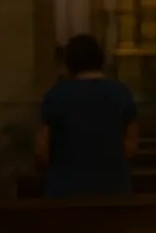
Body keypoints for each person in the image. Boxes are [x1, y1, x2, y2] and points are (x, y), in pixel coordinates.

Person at [36, 34, 138, 198]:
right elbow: (131, 146)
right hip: (113, 189)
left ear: (69, 63)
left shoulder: (56, 95)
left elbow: (42, 149)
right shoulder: (121, 93)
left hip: (65, 190)